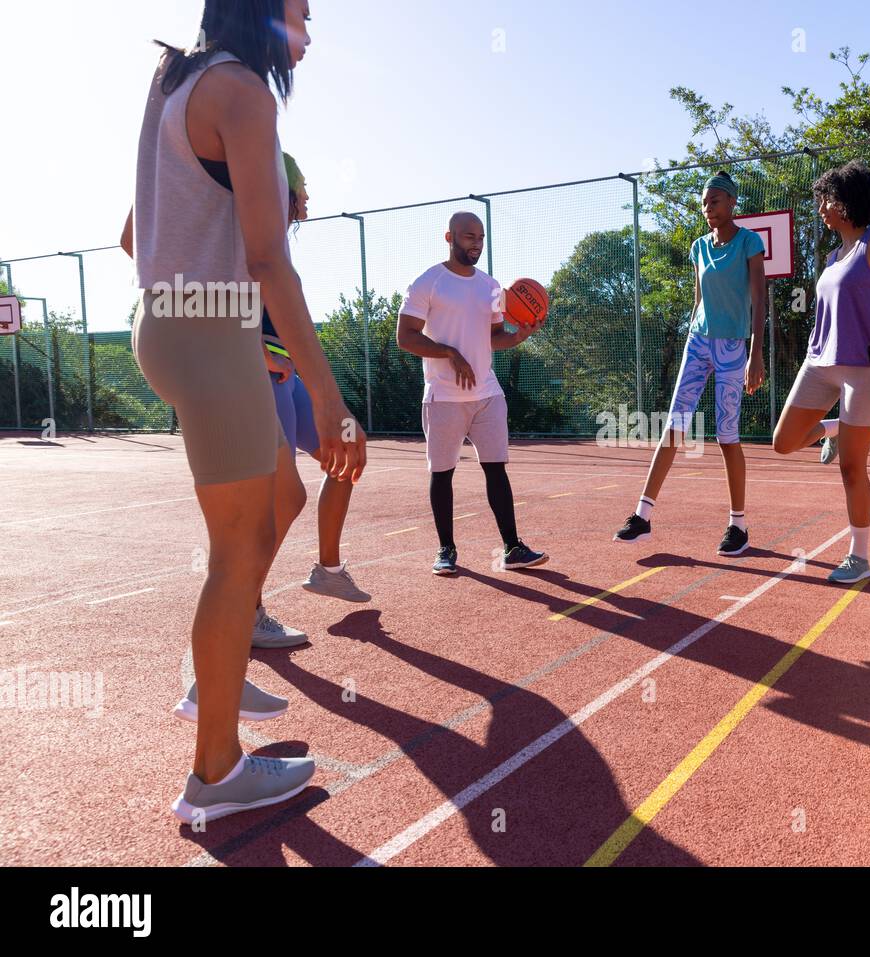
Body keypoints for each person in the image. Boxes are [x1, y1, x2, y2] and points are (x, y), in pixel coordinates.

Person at [123, 0, 366, 823]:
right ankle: (214, 773)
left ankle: (216, 675)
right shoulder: (244, 95)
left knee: (272, 511)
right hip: (210, 328)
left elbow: (134, 233)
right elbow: (269, 260)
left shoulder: (175, 82)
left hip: (166, 322)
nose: (309, 30)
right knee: (236, 549)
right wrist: (328, 398)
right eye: (300, 13)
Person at [614, 171, 766, 556]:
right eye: (704, 202)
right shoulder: (698, 247)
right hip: (698, 343)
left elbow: (760, 300)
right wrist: (689, 343)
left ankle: (738, 525)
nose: (707, 207)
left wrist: (756, 352)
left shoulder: (750, 242)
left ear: (732, 203)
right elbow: (698, 300)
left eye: (715, 201)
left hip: (733, 347)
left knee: (725, 437)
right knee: (675, 427)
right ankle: (642, 516)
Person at [771, 162, 870, 584]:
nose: (821, 207)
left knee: (852, 468)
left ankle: (859, 556)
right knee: (783, 442)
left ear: (847, 201)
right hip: (819, 363)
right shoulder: (832, 257)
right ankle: (832, 428)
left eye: (827, 199)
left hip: (866, 371)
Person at [396, 212, 547, 576]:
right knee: (442, 473)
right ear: (449, 237)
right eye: (468, 236)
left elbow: (493, 337)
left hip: (487, 394)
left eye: (480, 237)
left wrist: (518, 337)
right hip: (444, 395)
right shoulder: (428, 283)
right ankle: (446, 550)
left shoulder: (492, 287)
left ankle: (513, 547)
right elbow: (406, 337)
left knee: (496, 470)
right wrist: (449, 353)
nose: (476, 243)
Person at [259, 152, 371, 617]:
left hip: (286, 374)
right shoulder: (247, 239)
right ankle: (246, 605)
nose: (308, 194)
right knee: (278, 500)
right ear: (280, 188)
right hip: (258, 378)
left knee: (345, 450)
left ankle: (327, 569)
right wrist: (254, 350)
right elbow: (211, 301)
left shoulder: (277, 244)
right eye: (301, 185)